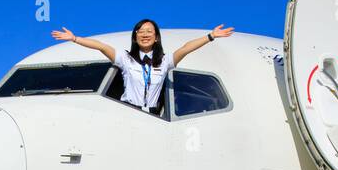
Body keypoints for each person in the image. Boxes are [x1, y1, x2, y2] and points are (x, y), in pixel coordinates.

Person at [51, 19, 233, 114]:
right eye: (141, 31)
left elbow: (185, 49)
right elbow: (101, 46)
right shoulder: (125, 58)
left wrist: (210, 36)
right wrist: (75, 39)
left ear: (156, 37)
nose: (145, 35)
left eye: (149, 31)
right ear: (135, 36)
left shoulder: (165, 61)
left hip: (152, 115)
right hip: (128, 111)